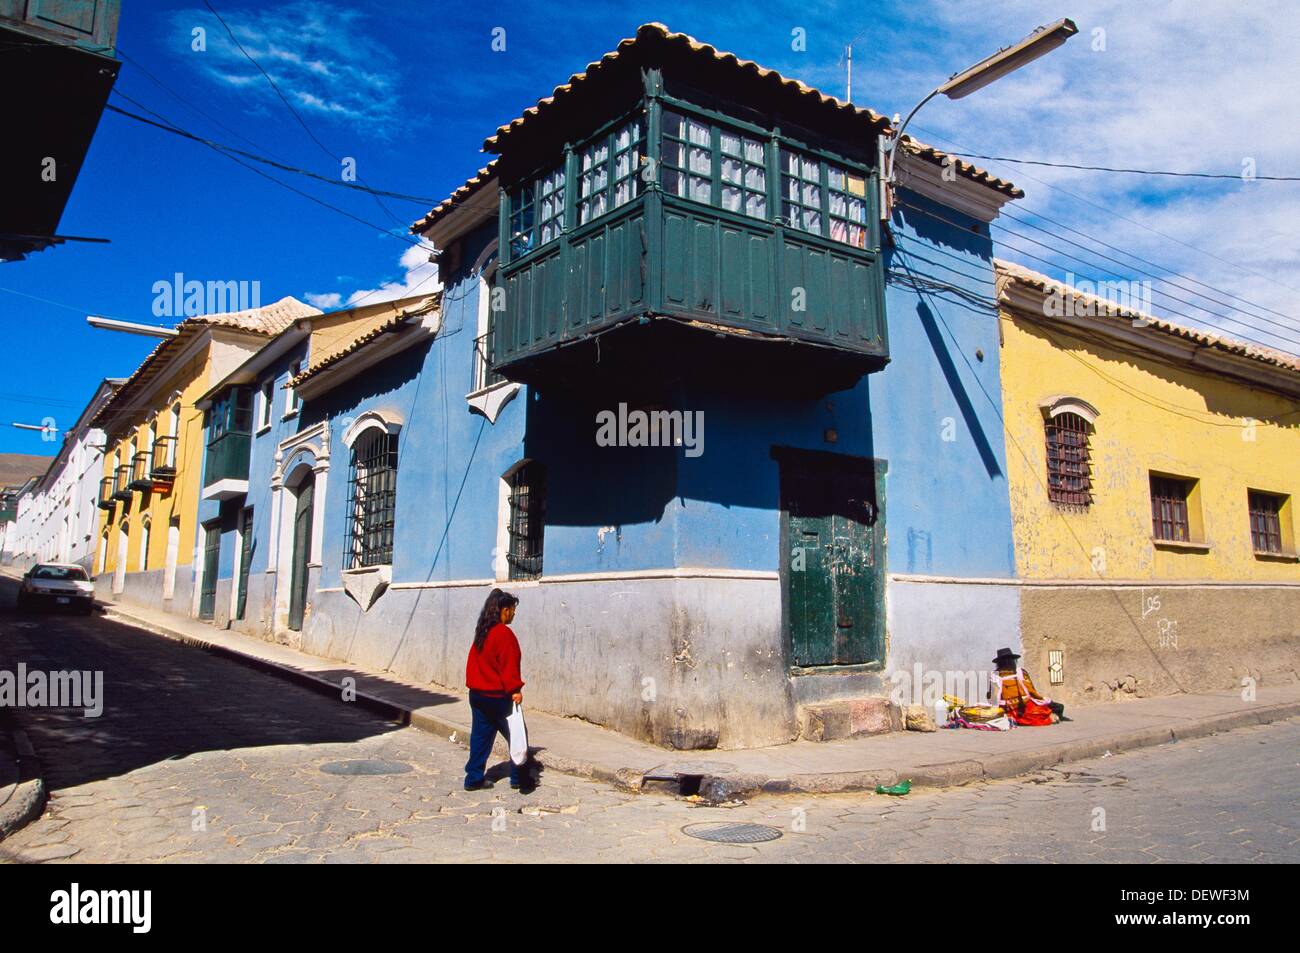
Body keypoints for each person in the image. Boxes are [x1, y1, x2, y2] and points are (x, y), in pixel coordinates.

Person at [464, 588, 531, 792]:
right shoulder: (503, 634)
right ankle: (520, 778)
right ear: (503, 610)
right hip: (497, 697)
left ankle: (473, 778)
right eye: (511, 609)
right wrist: (515, 690)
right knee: (518, 735)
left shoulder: (483, 631)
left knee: (480, 737)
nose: (513, 614)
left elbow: (475, 663)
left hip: (477, 695)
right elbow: (509, 665)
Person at [989, 647, 1069, 725]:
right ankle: (1055, 717)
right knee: (1058, 706)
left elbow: (992, 697)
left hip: (1006, 710)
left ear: (999, 663)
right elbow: (1031, 691)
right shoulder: (1020, 672)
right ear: (1013, 661)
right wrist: (1044, 700)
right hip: (1023, 706)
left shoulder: (995, 675)